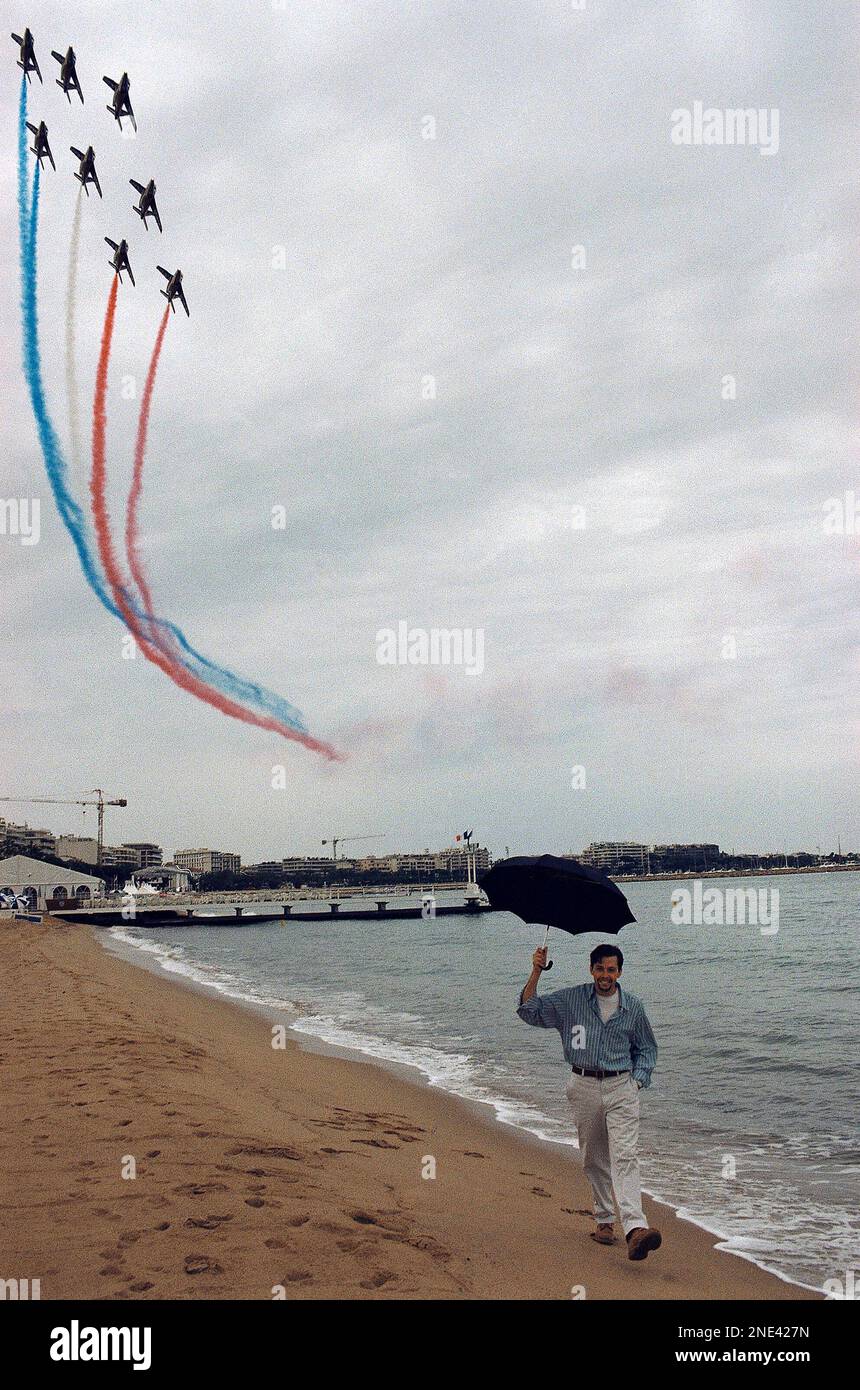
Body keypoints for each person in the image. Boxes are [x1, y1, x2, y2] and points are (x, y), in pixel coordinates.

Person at [516, 941, 662, 1260]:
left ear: (620, 972)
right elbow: (529, 1011)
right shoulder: (571, 1000)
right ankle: (605, 1222)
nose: (605, 975)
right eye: (600, 969)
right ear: (591, 969)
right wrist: (536, 970)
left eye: (611, 969)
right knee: (594, 1158)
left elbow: (647, 1049)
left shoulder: (633, 1007)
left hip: (621, 1086)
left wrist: (637, 1081)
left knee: (625, 1155)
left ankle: (636, 1229)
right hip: (582, 1084)